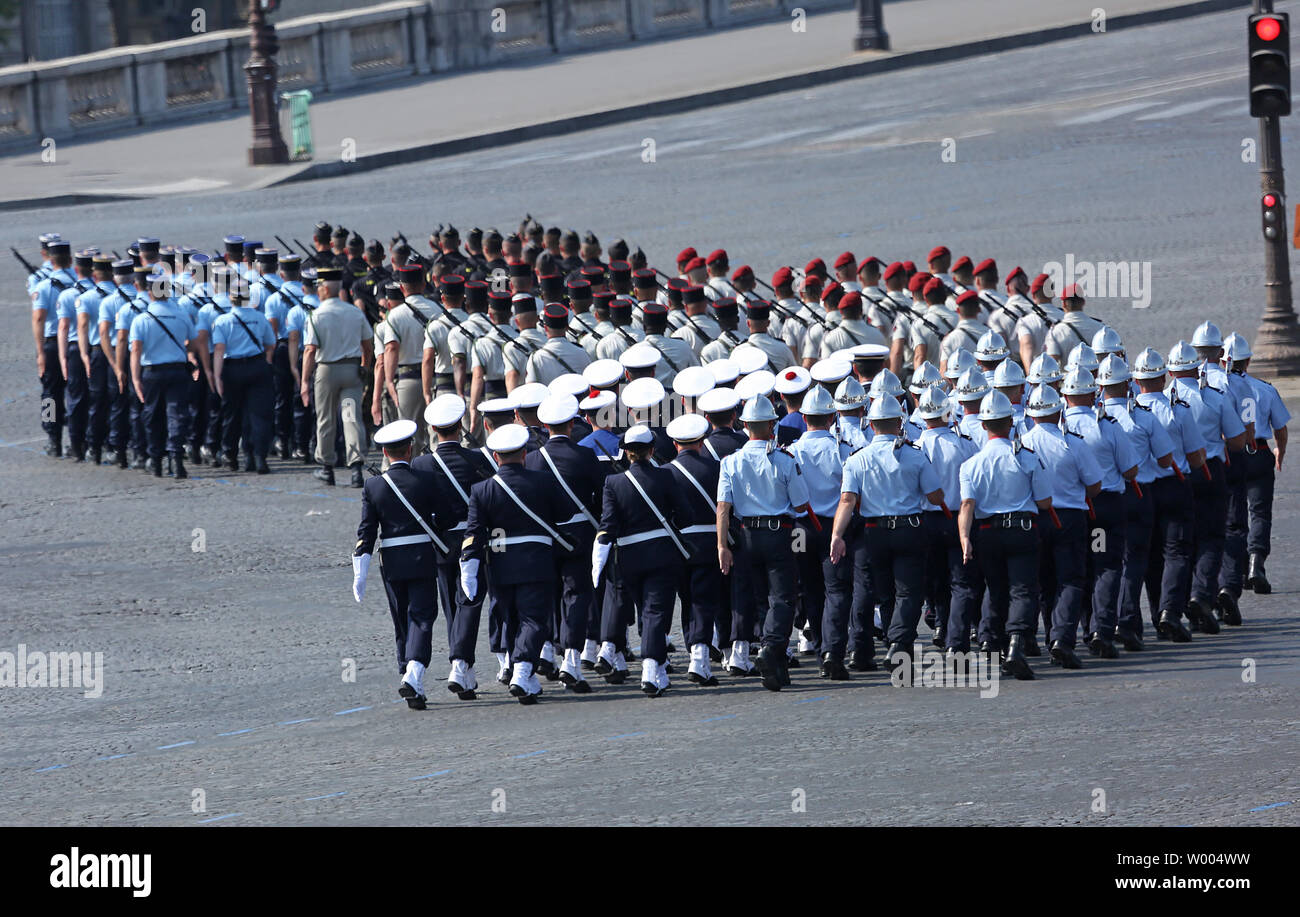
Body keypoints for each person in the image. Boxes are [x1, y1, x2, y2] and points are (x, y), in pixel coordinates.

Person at [831, 395, 945, 677]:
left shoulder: (857, 459)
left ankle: (899, 642)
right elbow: (935, 495)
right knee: (909, 591)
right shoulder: (915, 455)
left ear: (870, 424)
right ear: (899, 422)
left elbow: (847, 500)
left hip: (873, 532)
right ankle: (898, 642)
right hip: (908, 528)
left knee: (886, 592)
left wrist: (837, 535)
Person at [462, 423, 571, 704]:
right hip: (536, 561)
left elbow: (474, 532)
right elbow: (564, 513)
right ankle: (523, 670)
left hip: (498, 563)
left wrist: (469, 566)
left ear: (496, 457)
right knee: (534, 618)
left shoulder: (481, 489)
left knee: (509, 619)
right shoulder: (543, 481)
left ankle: (522, 673)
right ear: (524, 453)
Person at [353, 419, 455, 710]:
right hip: (422, 558)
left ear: (385, 453)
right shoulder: (425, 480)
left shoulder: (373, 486)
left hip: (391, 562)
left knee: (401, 618)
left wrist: (360, 571)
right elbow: (447, 518)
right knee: (421, 616)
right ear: (410, 449)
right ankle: (414, 672)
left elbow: (367, 532)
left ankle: (409, 673)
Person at [717, 395, 813, 692]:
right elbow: (800, 504)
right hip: (777, 533)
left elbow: (722, 508)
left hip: (745, 535)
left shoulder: (729, 461)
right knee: (783, 598)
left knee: (762, 600)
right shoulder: (783, 459)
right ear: (772, 425)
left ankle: (776, 669)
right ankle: (771, 649)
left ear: (744, 425)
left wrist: (721, 546)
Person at [957, 390, 1053, 680]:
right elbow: (1046, 501)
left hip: (987, 532)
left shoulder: (970, 464)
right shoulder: (1026, 457)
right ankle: (1015, 645)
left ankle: (992, 641)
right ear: (1010, 423)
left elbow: (966, 506)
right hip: (1022, 530)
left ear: (983, 425)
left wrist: (964, 538)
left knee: (995, 589)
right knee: (1023, 589)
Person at [594, 425, 693, 695]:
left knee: (645, 610)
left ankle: (655, 668)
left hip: (628, 559)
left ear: (626, 453)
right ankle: (651, 670)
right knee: (654, 613)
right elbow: (685, 515)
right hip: (662, 554)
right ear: (651, 451)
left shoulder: (613, 483)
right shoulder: (665, 477)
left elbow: (608, 525)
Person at [413, 395, 496, 699]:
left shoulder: (420, 464)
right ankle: (460, 664)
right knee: (469, 602)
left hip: (440, 542)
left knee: (453, 607)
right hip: (473, 541)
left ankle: (466, 671)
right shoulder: (478, 459)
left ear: (433, 428)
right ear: (460, 425)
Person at [525, 393, 603, 693]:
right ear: (572, 423)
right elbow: (600, 495)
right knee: (577, 595)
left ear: (544, 425)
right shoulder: (585, 455)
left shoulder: (532, 459)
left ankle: (545, 651)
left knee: (546, 595)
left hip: (545, 538)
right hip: (579, 536)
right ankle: (571, 659)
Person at [1021, 384, 1102, 668]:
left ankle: (1048, 636)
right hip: (1070, 517)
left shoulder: (1022, 442)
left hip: (1034, 518)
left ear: (1030, 415)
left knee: (1043, 581)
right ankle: (1062, 638)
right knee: (1071, 579)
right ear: (1059, 413)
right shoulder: (1075, 443)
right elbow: (1094, 486)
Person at [1061, 365, 1139, 658]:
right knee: (1106, 566)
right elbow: (1131, 470)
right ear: (1094, 392)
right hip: (1105, 504)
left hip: (1074, 506)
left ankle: (1083, 627)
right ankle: (1101, 629)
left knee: (1079, 569)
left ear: (1065, 396)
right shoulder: (1106, 425)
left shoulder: (1058, 428)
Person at [665, 412, 725, 686]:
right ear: (701, 441)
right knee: (703, 600)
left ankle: (694, 650)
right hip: (709, 542)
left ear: (676, 444)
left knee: (688, 600)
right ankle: (699, 656)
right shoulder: (716, 468)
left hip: (678, 546)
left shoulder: (665, 472)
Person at [301, 266, 373, 487]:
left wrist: (304, 380)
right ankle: (356, 469)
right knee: (351, 418)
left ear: (323, 289)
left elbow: (310, 350)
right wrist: (365, 366)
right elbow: (368, 344)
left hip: (327, 371)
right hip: (351, 370)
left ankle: (327, 467)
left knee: (326, 419)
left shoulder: (317, 315)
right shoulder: (354, 312)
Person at [128, 271, 199, 478]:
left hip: (152, 372)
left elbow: (136, 351)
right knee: (177, 414)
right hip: (177, 370)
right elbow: (193, 344)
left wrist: (135, 378)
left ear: (150, 293)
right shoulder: (181, 315)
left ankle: (156, 461)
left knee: (152, 416)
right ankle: (176, 459)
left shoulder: (142, 319)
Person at [212, 282, 277, 473]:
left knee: (232, 415)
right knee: (259, 415)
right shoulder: (259, 317)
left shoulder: (223, 321)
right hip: (257, 365)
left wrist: (217, 377)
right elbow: (270, 344)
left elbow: (219, 350)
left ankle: (231, 456)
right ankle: (259, 457)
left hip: (232, 369)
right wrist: (265, 362)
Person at [31, 239, 76, 457]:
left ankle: (53, 438)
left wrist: (40, 352)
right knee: (78, 392)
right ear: (70, 260)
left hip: (50, 344)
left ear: (50, 259)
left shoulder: (44, 286)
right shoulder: (80, 281)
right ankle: (80, 437)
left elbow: (39, 318)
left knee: (50, 395)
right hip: (75, 343)